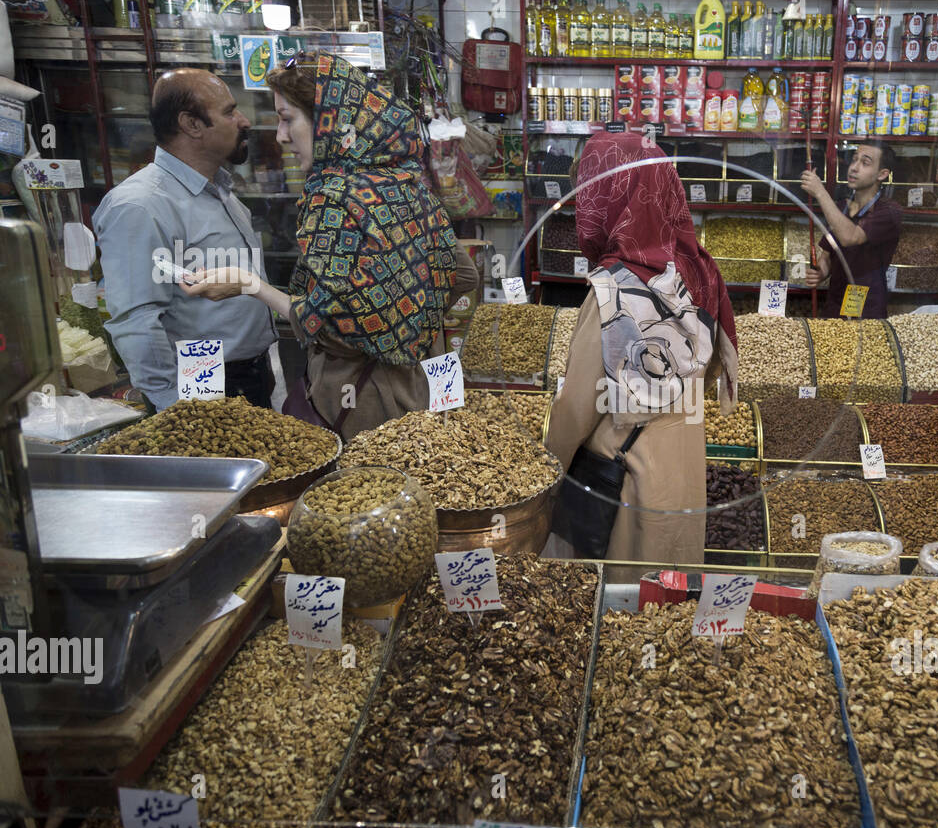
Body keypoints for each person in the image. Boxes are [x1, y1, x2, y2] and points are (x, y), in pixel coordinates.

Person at [182, 52, 477, 440]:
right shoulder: (402, 182)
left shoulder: (332, 199)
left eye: (288, 119)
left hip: (362, 403)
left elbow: (330, 328)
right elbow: (464, 274)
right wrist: (407, 319)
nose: (281, 136)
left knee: (363, 496)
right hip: (420, 388)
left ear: (331, 123)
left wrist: (249, 286)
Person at [545, 130, 739, 571]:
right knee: (664, 612)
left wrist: (541, 473)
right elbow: (698, 376)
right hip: (682, 471)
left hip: (626, 481)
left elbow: (579, 407)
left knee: (620, 617)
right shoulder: (698, 271)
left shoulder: (615, 291)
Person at [92, 68, 276, 411]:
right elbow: (136, 321)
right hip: (201, 386)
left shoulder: (220, 193)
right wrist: (175, 410)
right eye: (229, 111)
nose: (244, 120)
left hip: (250, 375)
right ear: (191, 124)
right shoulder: (141, 205)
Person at [799, 140, 903, 319]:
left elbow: (850, 236)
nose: (854, 167)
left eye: (865, 163)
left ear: (882, 174)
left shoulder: (888, 211)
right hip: (835, 303)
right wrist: (821, 272)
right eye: (854, 159)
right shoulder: (842, 207)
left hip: (866, 308)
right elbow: (829, 253)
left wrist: (820, 192)